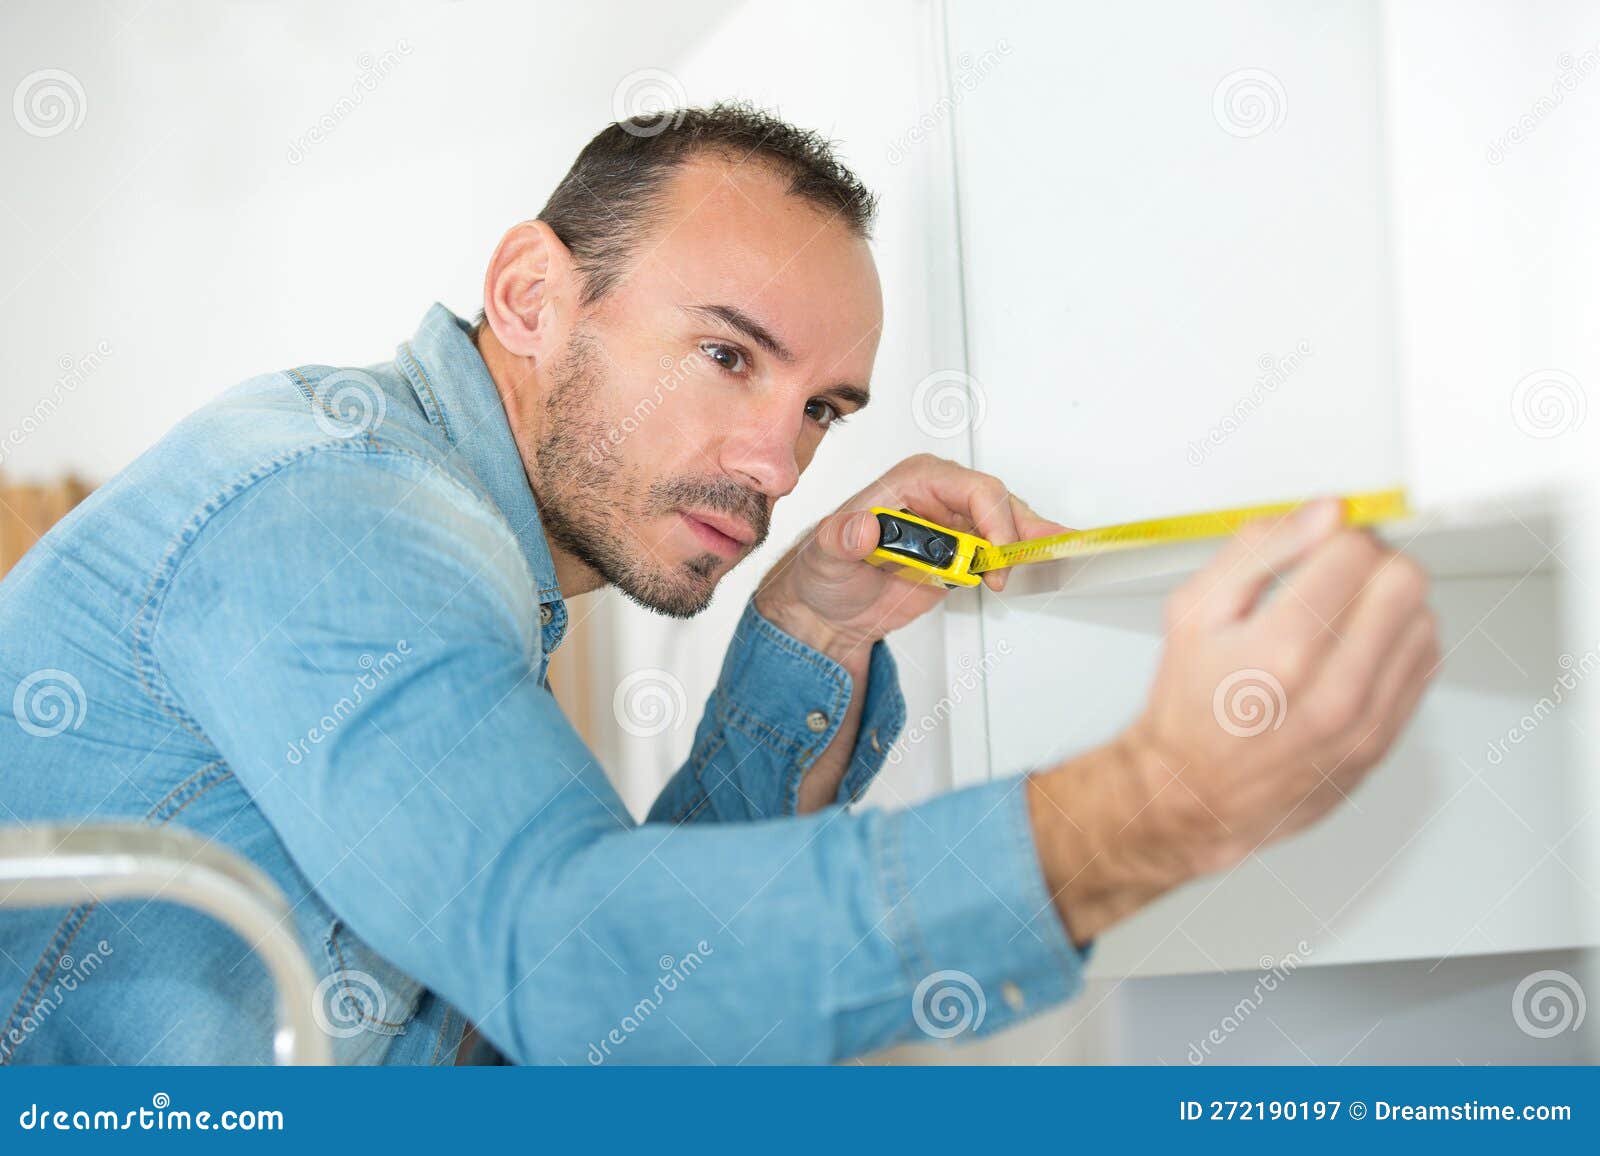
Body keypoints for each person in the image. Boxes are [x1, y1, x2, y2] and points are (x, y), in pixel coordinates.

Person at [0, 103, 1436, 1065]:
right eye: (729, 355)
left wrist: (803, 632)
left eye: (825, 409)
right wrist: (1150, 810)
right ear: (529, 295)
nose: (777, 459)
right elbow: (581, 975)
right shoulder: (340, 519)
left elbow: (582, 1002)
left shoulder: (433, 520)